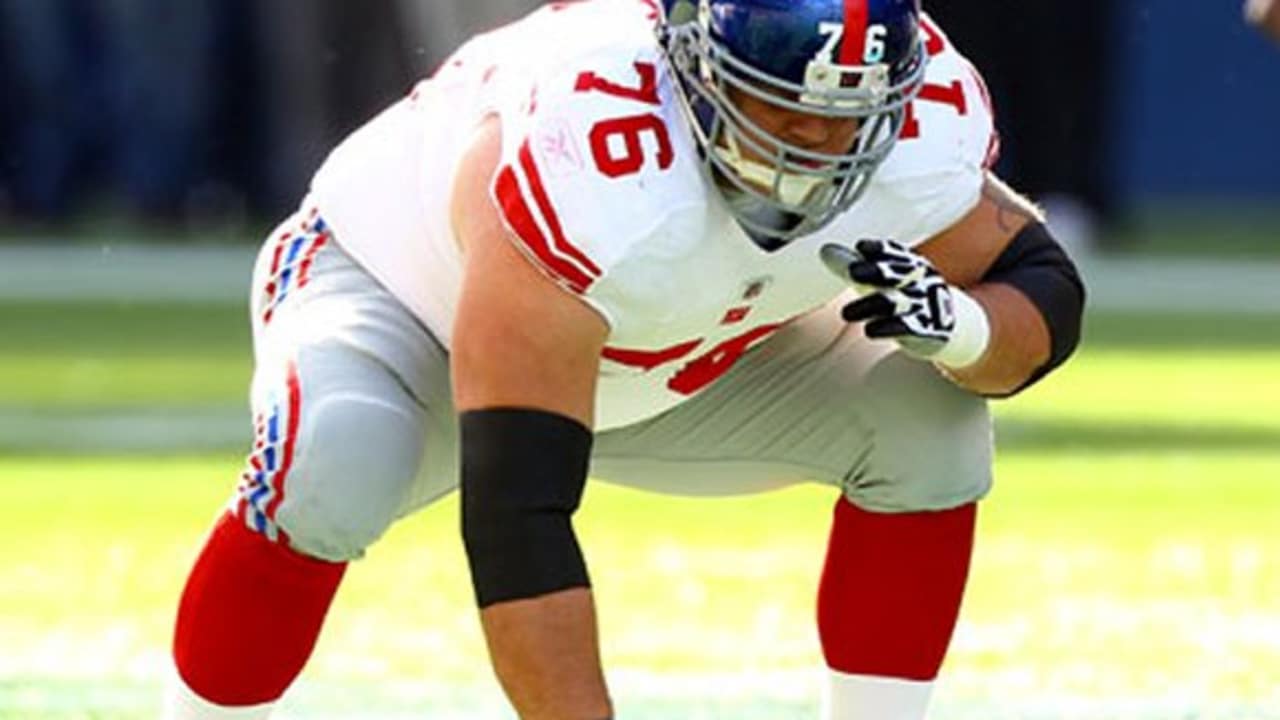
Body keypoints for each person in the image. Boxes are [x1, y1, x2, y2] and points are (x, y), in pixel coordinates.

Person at [163, 0, 1085, 718]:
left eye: (849, 114)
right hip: (407, 306)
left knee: (928, 415)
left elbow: (1039, 281)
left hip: (670, 354)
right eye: (785, 104)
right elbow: (517, 519)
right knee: (338, 455)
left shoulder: (914, 132)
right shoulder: (590, 151)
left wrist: (964, 330)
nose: (819, 144)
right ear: (693, 67)